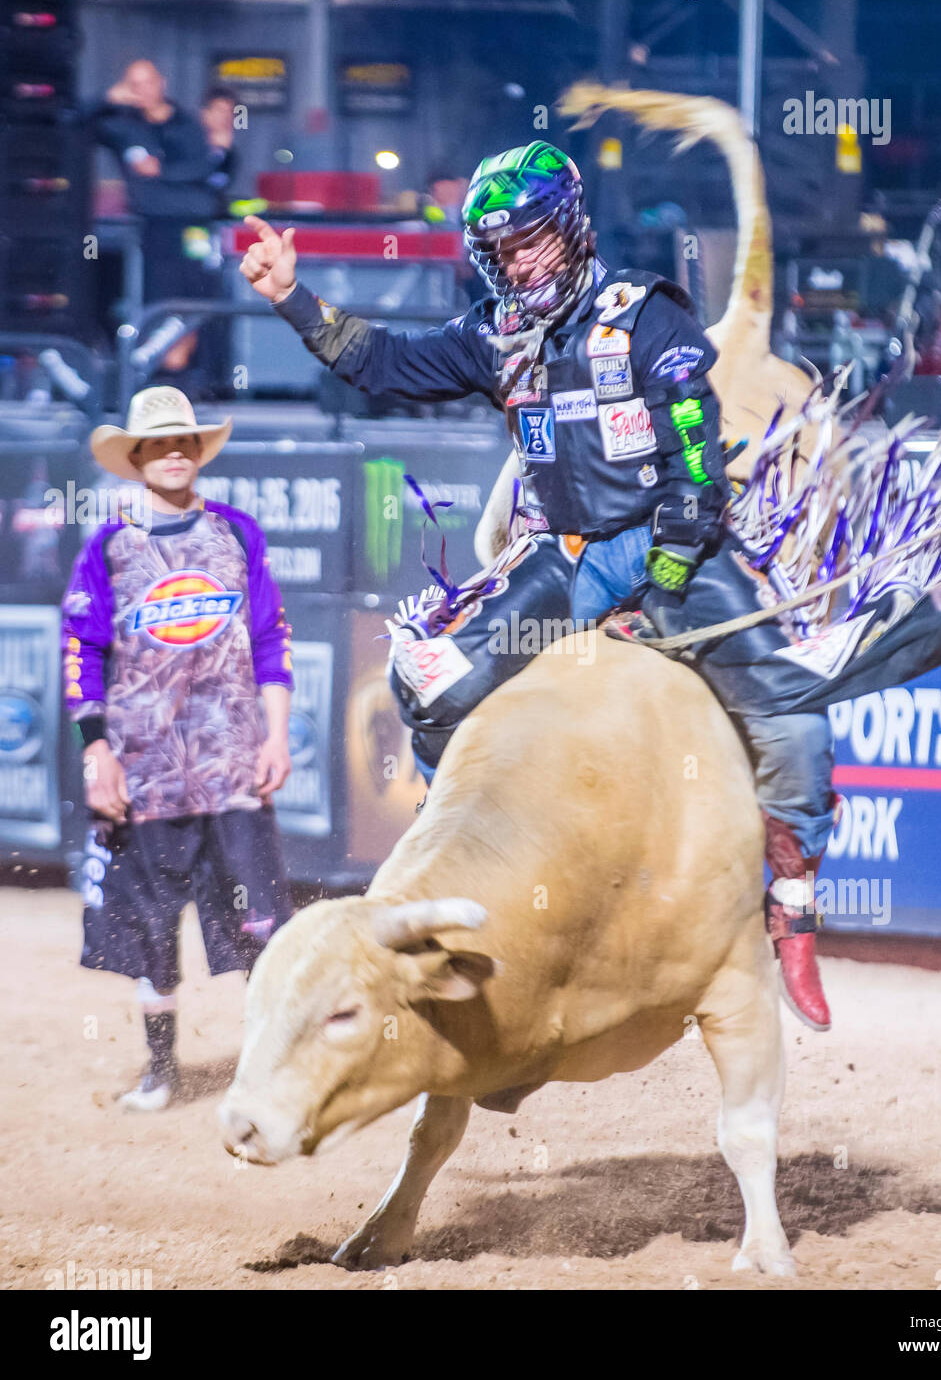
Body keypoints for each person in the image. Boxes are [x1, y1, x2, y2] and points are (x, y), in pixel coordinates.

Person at [239, 141, 837, 1031]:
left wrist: (664, 575)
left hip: (675, 544)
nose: (519, 263)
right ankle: (472, 856)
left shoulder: (645, 316)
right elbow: (383, 364)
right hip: (560, 552)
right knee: (427, 681)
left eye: (532, 243)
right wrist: (291, 296)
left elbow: (695, 456)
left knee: (792, 704)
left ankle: (788, 899)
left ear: (570, 229)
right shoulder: (493, 336)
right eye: (502, 252)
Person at [62, 386, 295, 1109]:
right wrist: (94, 751)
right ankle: (161, 1071)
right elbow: (80, 650)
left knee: (261, 925)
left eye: (184, 441)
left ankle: (276, 1069)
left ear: (198, 451)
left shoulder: (237, 533)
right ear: (134, 457)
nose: (172, 452)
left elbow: (270, 640)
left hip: (231, 768)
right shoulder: (108, 543)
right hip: (145, 774)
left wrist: (277, 733)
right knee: (149, 928)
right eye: (158, 443)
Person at [90, 60, 224, 383]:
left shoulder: (187, 124)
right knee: (158, 300)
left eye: (147, 82)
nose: (142, 91)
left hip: (194, 224)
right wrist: (109, 99)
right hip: (155, 227)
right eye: (133, 85)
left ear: (161, 83)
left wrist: (160, 171)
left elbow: (204, 168)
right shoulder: (123, 126)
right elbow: (76, 120)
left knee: (198, 297)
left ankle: (193, 371)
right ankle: (158, 372)